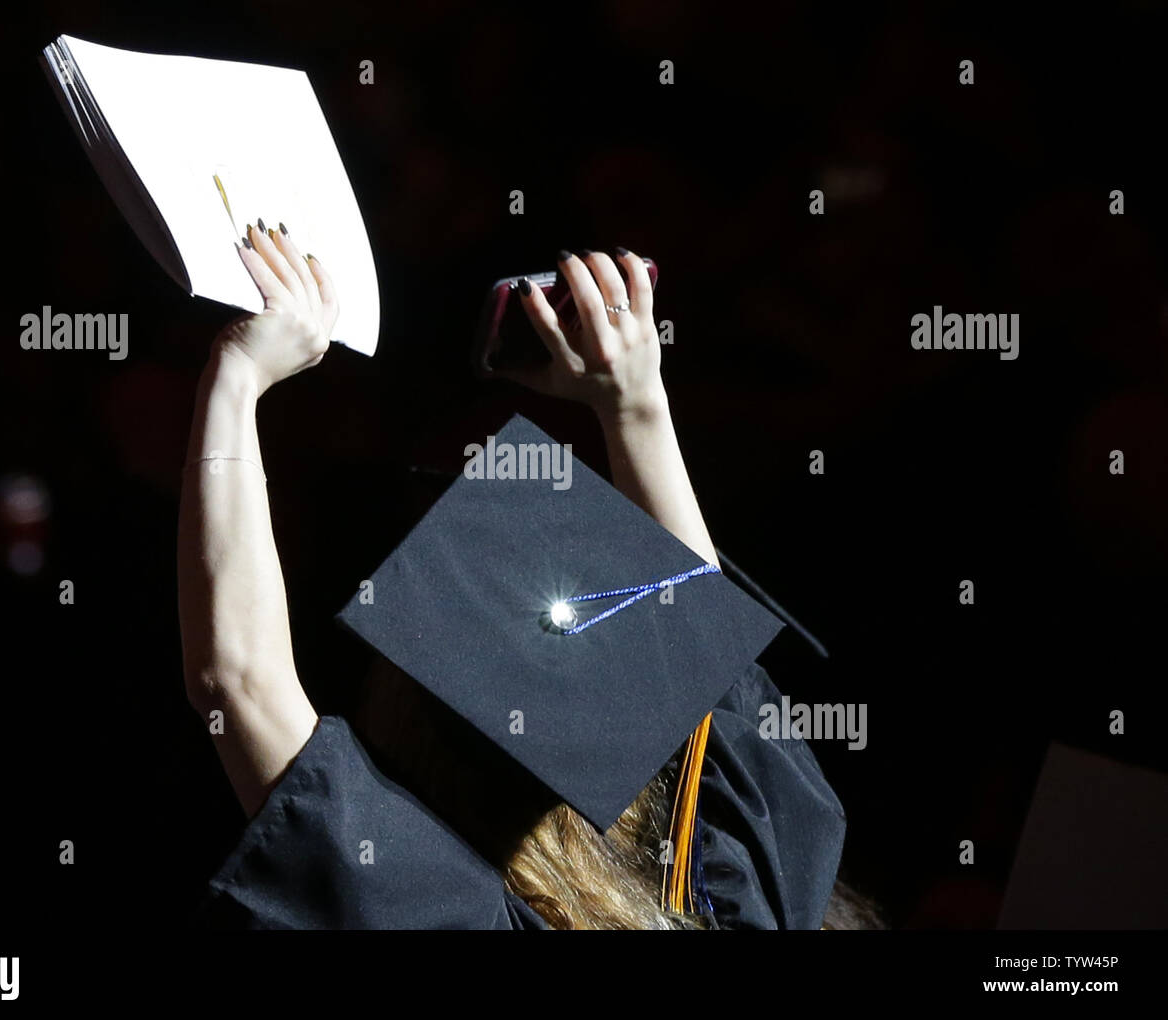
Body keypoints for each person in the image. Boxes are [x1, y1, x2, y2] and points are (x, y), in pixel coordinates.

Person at [178, 224, 879, 929]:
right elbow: (237, 684)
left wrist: (238, 372)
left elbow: (239, 685)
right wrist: (633, 400)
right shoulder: (738, 887)